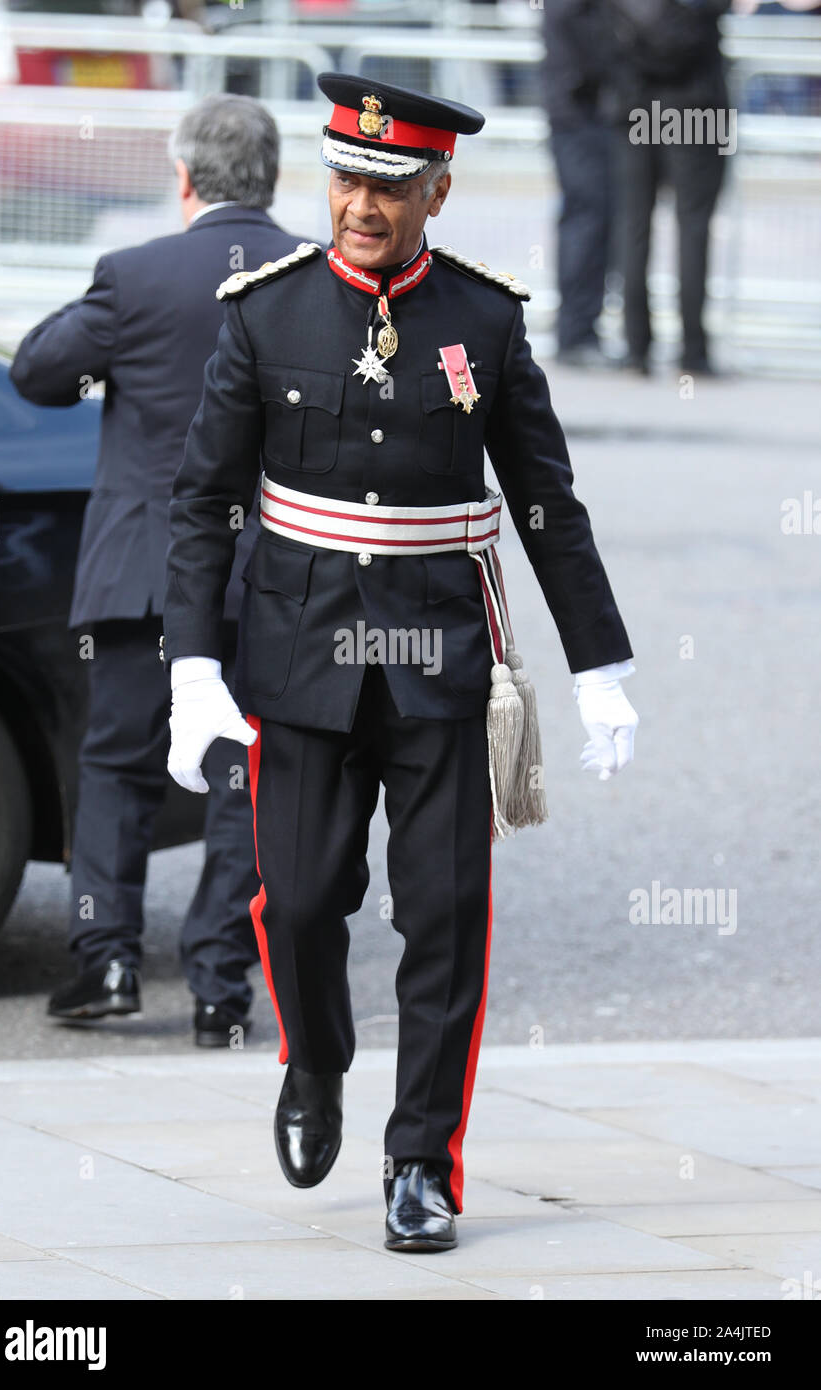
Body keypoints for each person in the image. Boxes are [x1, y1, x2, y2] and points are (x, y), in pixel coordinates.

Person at [162, 73, 639, 1250]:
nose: (359, 204)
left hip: (438, 662)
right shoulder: (263, 312)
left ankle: (420, 1162)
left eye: (385, 185)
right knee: (303, 901)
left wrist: (599, 666)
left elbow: (544, 504)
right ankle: (314, 1064)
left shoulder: (485, 319)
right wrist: (190, 667)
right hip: (299, 652)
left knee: (447, 914)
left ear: (435, 190)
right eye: (344, 178)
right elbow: (202, 500)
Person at [10, 95, 310, 1045]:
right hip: (272, 573)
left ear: (185, 180)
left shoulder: (134, 276)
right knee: (241, 778)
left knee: (117, 765)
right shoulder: (316, 275)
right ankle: (223, 990)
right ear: (271, 179)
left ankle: (107, 967)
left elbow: (36, 373)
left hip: (145, 573)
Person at [606, 0, 732, 374]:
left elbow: (602, 32)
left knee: (634, 226)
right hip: (696, 107)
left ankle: (636, 350)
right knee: (693, 227)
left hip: (635, 103)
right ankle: (694, 351)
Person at [542, 0, 617, 366]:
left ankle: (582, 331)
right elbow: (582, 38)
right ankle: (576, 335)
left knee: (593, 221)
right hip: (578, 113)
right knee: (587, 219)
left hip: (582, 110)